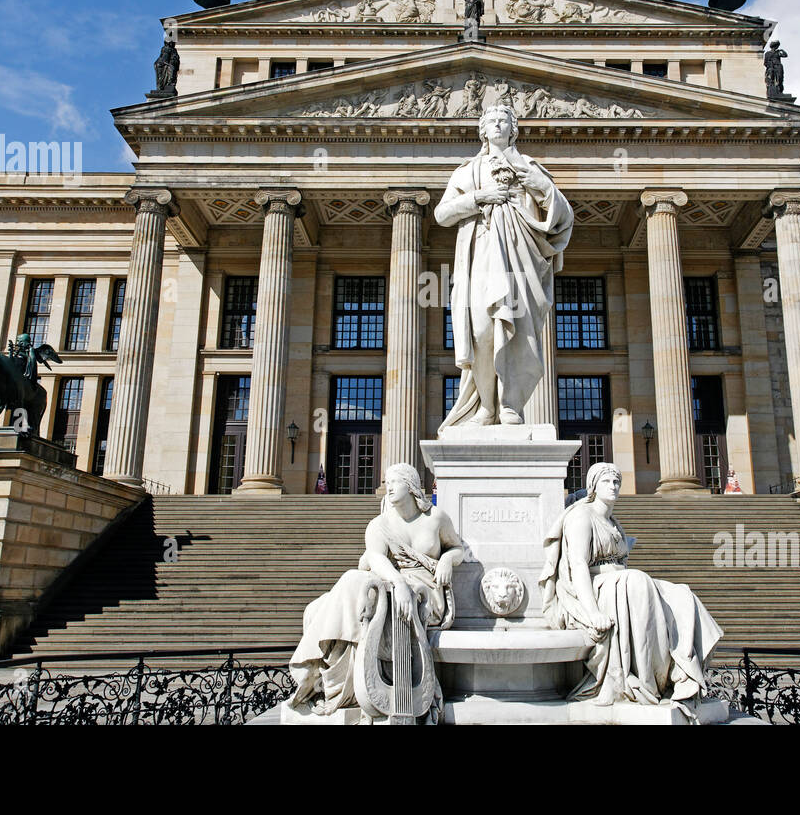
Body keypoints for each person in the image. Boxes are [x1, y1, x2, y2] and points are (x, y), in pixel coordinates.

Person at [539, 462, 723, 709]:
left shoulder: (613, 522)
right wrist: (592, 612)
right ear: (593, 485)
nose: (613, 486)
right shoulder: (581, 516)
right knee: (637, 581)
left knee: (680, 594)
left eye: (616, 482)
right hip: (595, 588)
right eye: (606, 481)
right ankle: (648, 679)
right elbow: (578, 566)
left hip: (621, 584)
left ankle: (679, 673)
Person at [288, 463, 465, 716]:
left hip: (426, 591)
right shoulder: (379, 524)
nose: (388, 487)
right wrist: (399, 583)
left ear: (411, 484)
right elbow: (376, 559)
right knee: (329, 599)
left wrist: (447, 559)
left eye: (394, 481)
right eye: (387, 481)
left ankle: (318, 671)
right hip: (395, 584)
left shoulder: (435, 518)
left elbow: (456, 548)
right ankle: (327, 676)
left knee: (354, 586)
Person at [435, 105, 573, 429]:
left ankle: (511, 404)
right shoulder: (467, 172)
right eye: (492, 121)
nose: (498, 125)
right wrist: (480, 197)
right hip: (481, 257)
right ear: (482, 130)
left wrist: (537, 183)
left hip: (520, 261)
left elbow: (562, 216)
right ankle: (486, 406)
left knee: (519, 333)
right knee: (481, 330)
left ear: (514, 130)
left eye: (504, 121)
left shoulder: (530, 167)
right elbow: (442, 214)